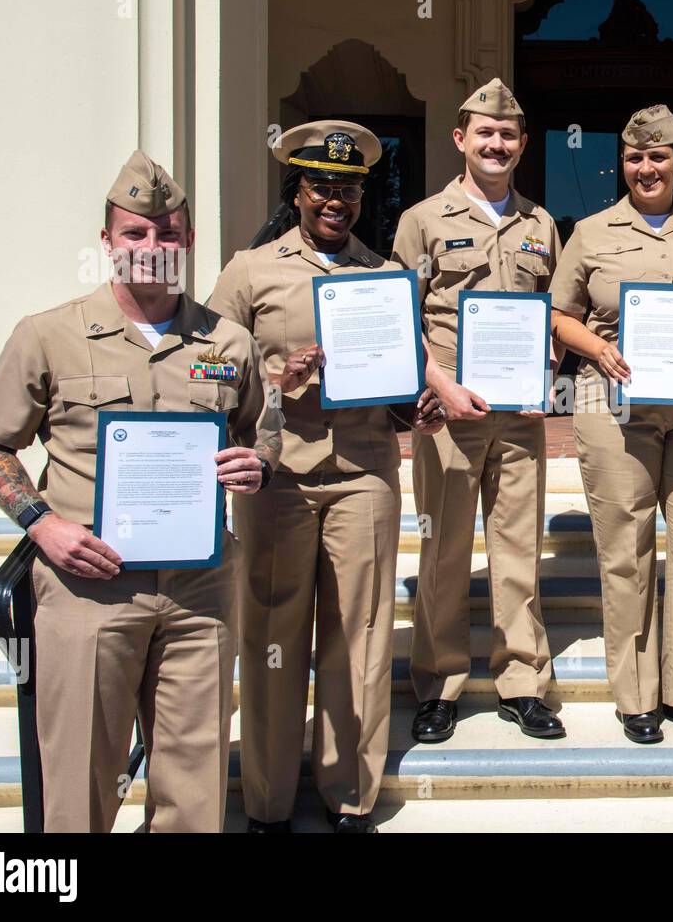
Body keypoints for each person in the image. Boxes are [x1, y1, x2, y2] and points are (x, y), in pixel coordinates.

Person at [0, 151, 280, 832]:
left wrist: (256, 463)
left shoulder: (228, 341)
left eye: (167, 232)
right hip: (88, 589)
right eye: (135, 232)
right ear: (107, 240)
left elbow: (264, 433)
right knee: (79, 786)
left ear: (189, 241)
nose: (152, 247)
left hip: (198, 591)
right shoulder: (48, 334)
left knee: (195, 791)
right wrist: (42, 525)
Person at [206, 121, 444, 833]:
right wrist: (280, 378)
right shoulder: (250, 269)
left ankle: (350, 793)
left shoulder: (383, 276)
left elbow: (402, 390)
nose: (335, 199)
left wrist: (423, 413)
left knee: (359, 635)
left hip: (364, 475)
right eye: (321, 186)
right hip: (277, 477)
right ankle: (270, 798)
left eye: (348, 187)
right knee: (273, 635)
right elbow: (208, 370)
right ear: (298, 191)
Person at [548, 104, 673, 744]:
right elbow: (558, 315)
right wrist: (594, 347)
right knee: (626, 554)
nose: (646, 168)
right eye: (635, 158)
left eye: (658, 156)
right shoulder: (591, 231)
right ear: (623, 164)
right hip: (613, 409)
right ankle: (637, 696)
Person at [391, 78, 565, 742]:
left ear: (521, 145)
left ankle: (523, 681)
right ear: (460, 139)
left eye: (508, 134)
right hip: (448, 414)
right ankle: (438, 683)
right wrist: (440, 383)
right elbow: (400, 320)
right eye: (484, 133)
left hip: (519, 418)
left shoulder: (540, 223)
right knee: (444, 551)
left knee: (519, 550)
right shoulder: (423, 220)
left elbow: (553, 311)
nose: (496, 143)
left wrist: (549, 358)